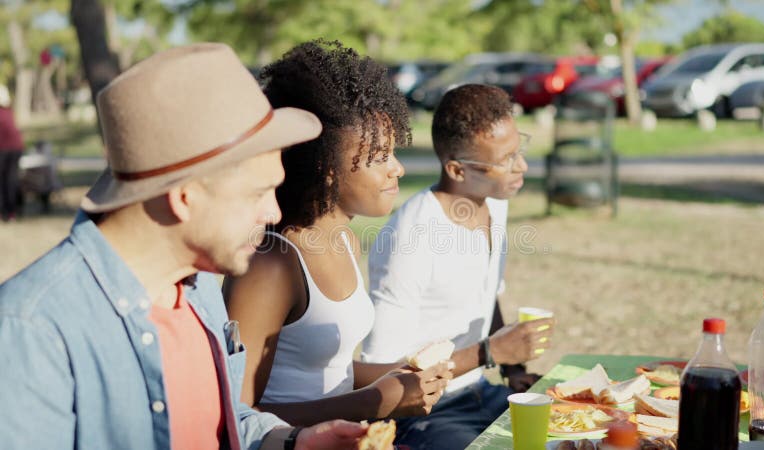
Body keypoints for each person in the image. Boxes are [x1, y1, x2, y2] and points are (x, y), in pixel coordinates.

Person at [0, 43, 367, 450]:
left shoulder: (200, 286)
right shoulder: (32, 331)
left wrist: (292, 441)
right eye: (258, 193)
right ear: (184, 195)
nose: (273, 213)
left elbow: (222, 418)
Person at [224, 40, 452, 427]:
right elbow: (236, 417)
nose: (397, 169)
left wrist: (399, 376)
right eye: (379, 158)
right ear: (327, 168)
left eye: (393, 153)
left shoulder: (345, 239)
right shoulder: (272, 264)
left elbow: (332, 372)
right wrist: (373, 402)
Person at [361, 84, 556, 449]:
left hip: (483, 391)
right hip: (424, 414)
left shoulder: (493, 200)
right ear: (457, 169)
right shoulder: (411, 237)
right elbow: (383, 373)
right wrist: (490, 352)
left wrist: (512, 370)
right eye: (507, 159)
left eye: (520, 149)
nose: (523, 166)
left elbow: (486, 294)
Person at [0, 84, 24, 222]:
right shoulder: (9, 112)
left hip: (4, 149)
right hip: (15, 148)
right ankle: (11, 212)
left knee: (6, 181)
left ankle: (7, 211)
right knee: (10, 180)